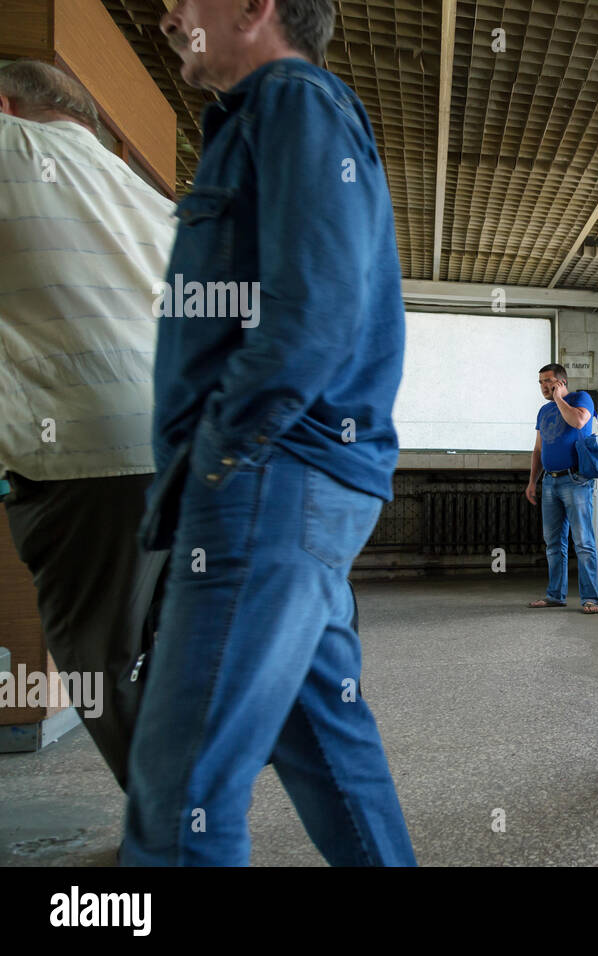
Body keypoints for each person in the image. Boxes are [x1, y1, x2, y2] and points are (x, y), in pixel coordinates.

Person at [122, 0, 415, 865]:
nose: (169, 16)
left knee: (181, 798)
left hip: (265, 478)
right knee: (328, 748)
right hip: (283, 482)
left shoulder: (292, 99)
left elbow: (313, 307)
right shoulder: (272, 114)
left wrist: (221, 453)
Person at [0, 60, 175, 789]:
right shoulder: (154, 201)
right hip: (184, 449)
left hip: (82, 455)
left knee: (97, 661)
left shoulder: (11, 149)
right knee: (167, 643)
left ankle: (177, 830)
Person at [525, 363, 598, 614]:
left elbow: (578, 422)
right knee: (553, 543)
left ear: (562, 382)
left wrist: (559, 399)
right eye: (541, 383)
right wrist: (532, 481)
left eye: (548, 381)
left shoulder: (582, 399)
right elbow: (538, 449)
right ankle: (555, 595)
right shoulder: (543, 412)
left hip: (576, 480)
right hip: (550, 482)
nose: (544, 387)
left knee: (583, 542)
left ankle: (590, 598)